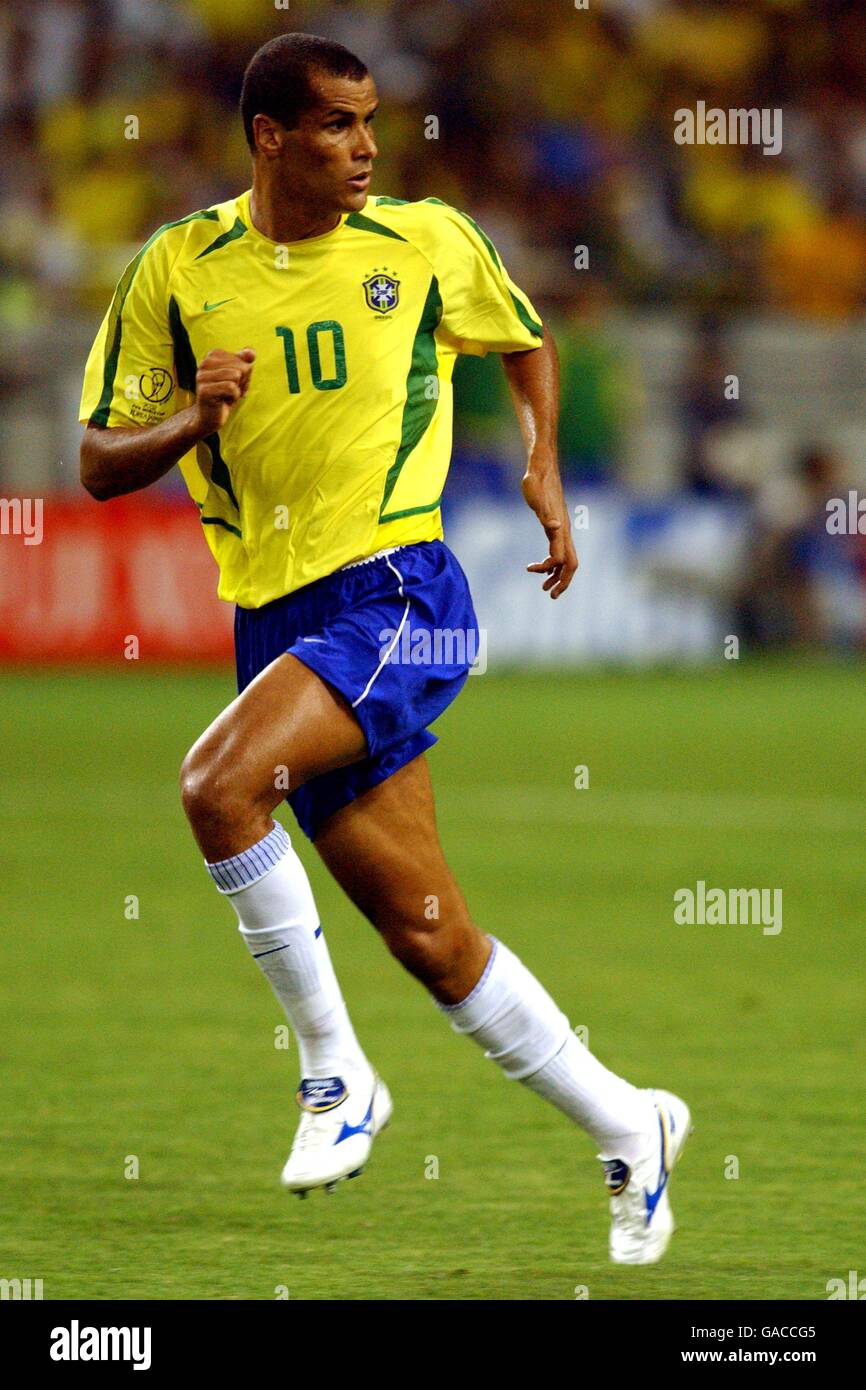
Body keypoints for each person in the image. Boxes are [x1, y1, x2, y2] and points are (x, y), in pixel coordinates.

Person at [78, 32, 689, 1265]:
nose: (367, 148)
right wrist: (196, 411)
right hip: (277, 621)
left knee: (216, 784)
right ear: (268, 136)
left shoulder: (422, 241)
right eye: (339, 126)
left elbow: (523, 341)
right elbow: (97, 460)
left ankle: (333, 1076)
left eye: (372, 123)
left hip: (400, 588)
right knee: (428, 934)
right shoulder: (179, 269)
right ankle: (631, 1124)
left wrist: (542, 464)